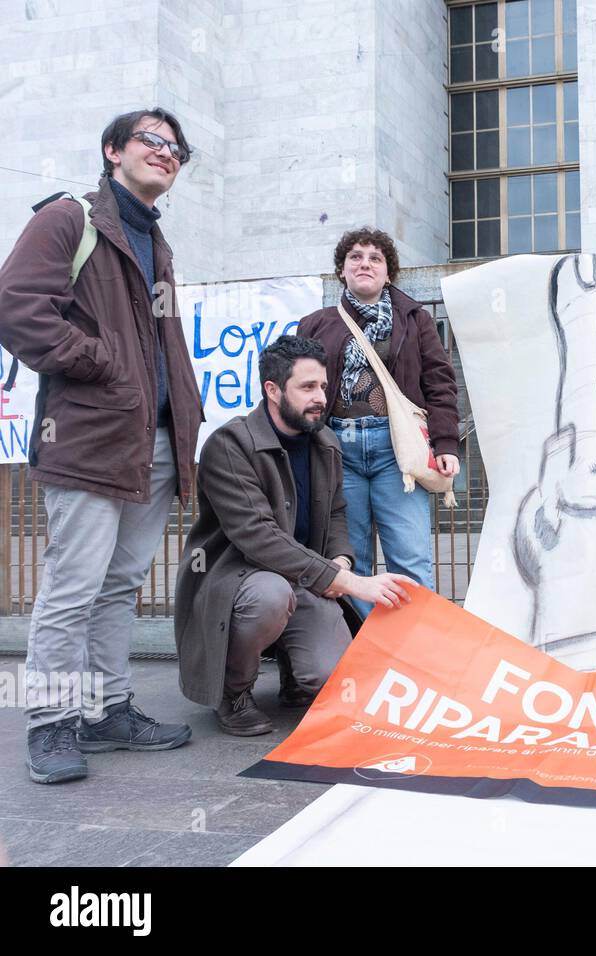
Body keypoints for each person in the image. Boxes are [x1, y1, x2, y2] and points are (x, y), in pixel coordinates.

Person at [0, 108, 205, 785]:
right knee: (71, 587)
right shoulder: (70, 219)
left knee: (118, 587)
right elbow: (17, 306)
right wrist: (97, 360)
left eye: (177, 148)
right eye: (152, 140)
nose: (167, 153)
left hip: (151, 442)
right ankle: (52, 722)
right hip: (89, 436)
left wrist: (185, 415)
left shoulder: (157, 241)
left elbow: (164, 343)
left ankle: (109, 709)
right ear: (113, 150)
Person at [175, 337, 417, 736]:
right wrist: (347, 581)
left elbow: (338, 513)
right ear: (272, 390)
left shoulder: (325, 442)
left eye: (322, 386)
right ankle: (232, 693)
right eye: (307, 387)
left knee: (335, 682)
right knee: (270, 596)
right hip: (240, 579)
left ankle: (295, 673)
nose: (320, 397)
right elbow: (259, 538)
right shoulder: (230, 445)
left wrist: (340, 561)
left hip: (305, 578)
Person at [297, 228, 460, 617]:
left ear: (389, 273)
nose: (365, 263)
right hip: (337, 449)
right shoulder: (316, 323)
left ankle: (414, 655)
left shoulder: (414, 319)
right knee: (350, 562)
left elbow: (439, 383)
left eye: (375, 258)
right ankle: (363, 654)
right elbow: (298, 389)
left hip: (397, 453)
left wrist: (447, 444)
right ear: (342, 270)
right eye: (355, 256)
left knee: (410, 559)